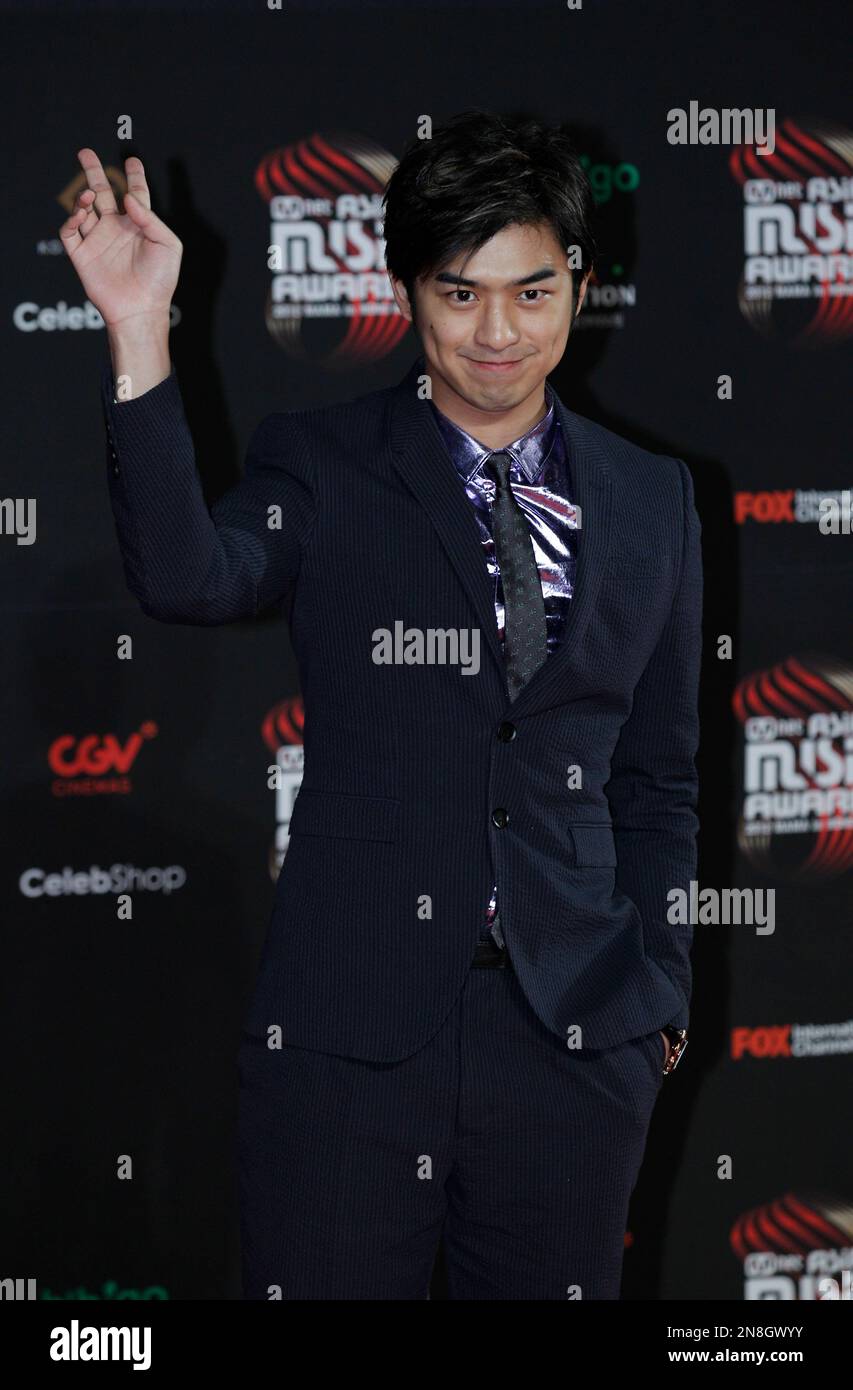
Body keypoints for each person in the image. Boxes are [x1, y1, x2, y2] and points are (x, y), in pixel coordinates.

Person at [61, 108, 701, 1301]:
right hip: (350, 1042)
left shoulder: (653, 499)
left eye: (530, 291)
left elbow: (656, 777)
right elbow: (194, 578)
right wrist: (138, 327)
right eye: (458, 294)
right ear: (406, 290)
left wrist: (653, 992)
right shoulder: (327, 462)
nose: (497, 333)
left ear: (580, 283)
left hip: (573, 1046)